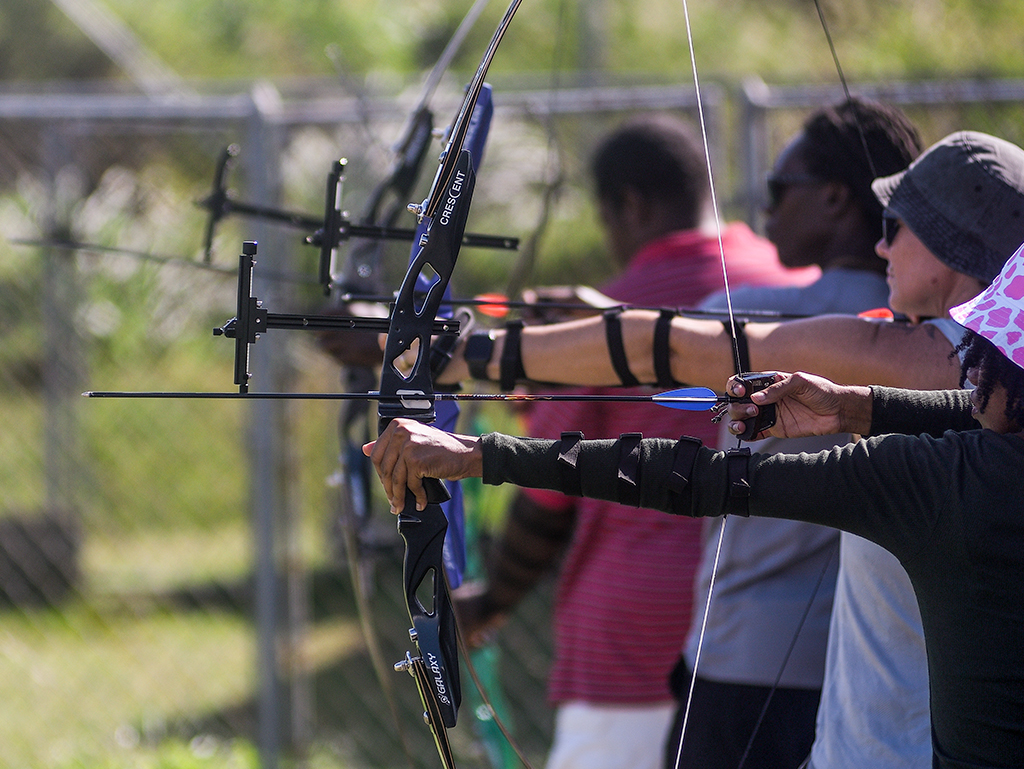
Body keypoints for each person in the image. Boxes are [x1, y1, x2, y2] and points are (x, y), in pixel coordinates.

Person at [434, 129, 1024, 767]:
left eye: (898, 224)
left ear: (950, 244)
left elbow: (691, 446)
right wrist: (854, 405)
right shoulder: (955, 397)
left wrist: (470, 368)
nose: (882, 242)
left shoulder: (932, 426)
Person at [453, 111, 816, 769]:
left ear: (630, 203)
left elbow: (549, 489)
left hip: (631, 642)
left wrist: (488, 600)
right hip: (781, 644)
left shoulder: (608, 320)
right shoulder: (800, 290)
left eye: (608, 220)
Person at [665, 97, 920, 769]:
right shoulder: (941, 340)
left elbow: (659, 344)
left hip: (742, 660)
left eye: (782, 190)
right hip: (874, 676)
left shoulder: (750, 316)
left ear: (837, 198)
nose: (769, 209)